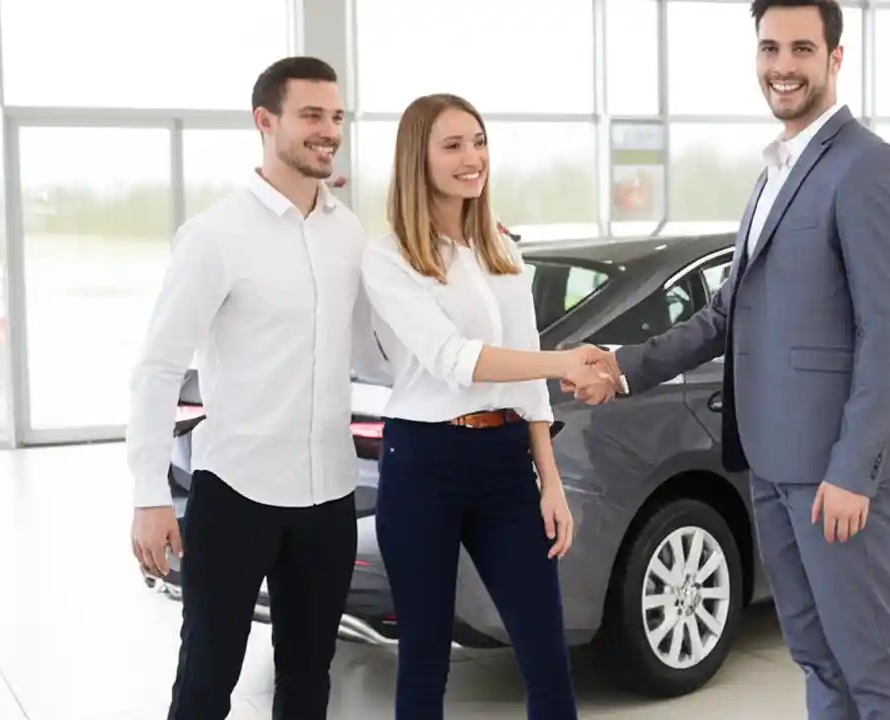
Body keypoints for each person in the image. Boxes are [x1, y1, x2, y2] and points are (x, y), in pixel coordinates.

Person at [568, 1, 890, 717]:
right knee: (817, 655)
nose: (782, 67)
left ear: (835, 57)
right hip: (769, 460)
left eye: (800, 48)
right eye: (769, 49)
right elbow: (727, 314)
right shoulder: (774, 174)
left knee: (868, 659)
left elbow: (889, 334)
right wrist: (625, 364)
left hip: (831, 473)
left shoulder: (866, 167)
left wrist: (853, 471)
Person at [127, 56, 389, 719]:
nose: (328, 131)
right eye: (311, 116)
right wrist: (148, 495)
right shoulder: (215, 236)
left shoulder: (347, 231)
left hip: (329, 495)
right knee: (208, 677)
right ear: (265, 121)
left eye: (335, 117)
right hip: (235, 493)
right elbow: (158, 368)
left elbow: (371, 354)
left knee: (308, 677)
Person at [361, 92, 611, 720]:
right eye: (453, 145)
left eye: (479, 141)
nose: (473, 158)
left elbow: (522, 374)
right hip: (423, 462)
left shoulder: (500, 250)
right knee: (424, 662)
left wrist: (548, 482)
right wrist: (564, 362)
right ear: (418, 158)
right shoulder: (388, 259)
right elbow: (457, 358)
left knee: (547, 655)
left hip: (504, 465)